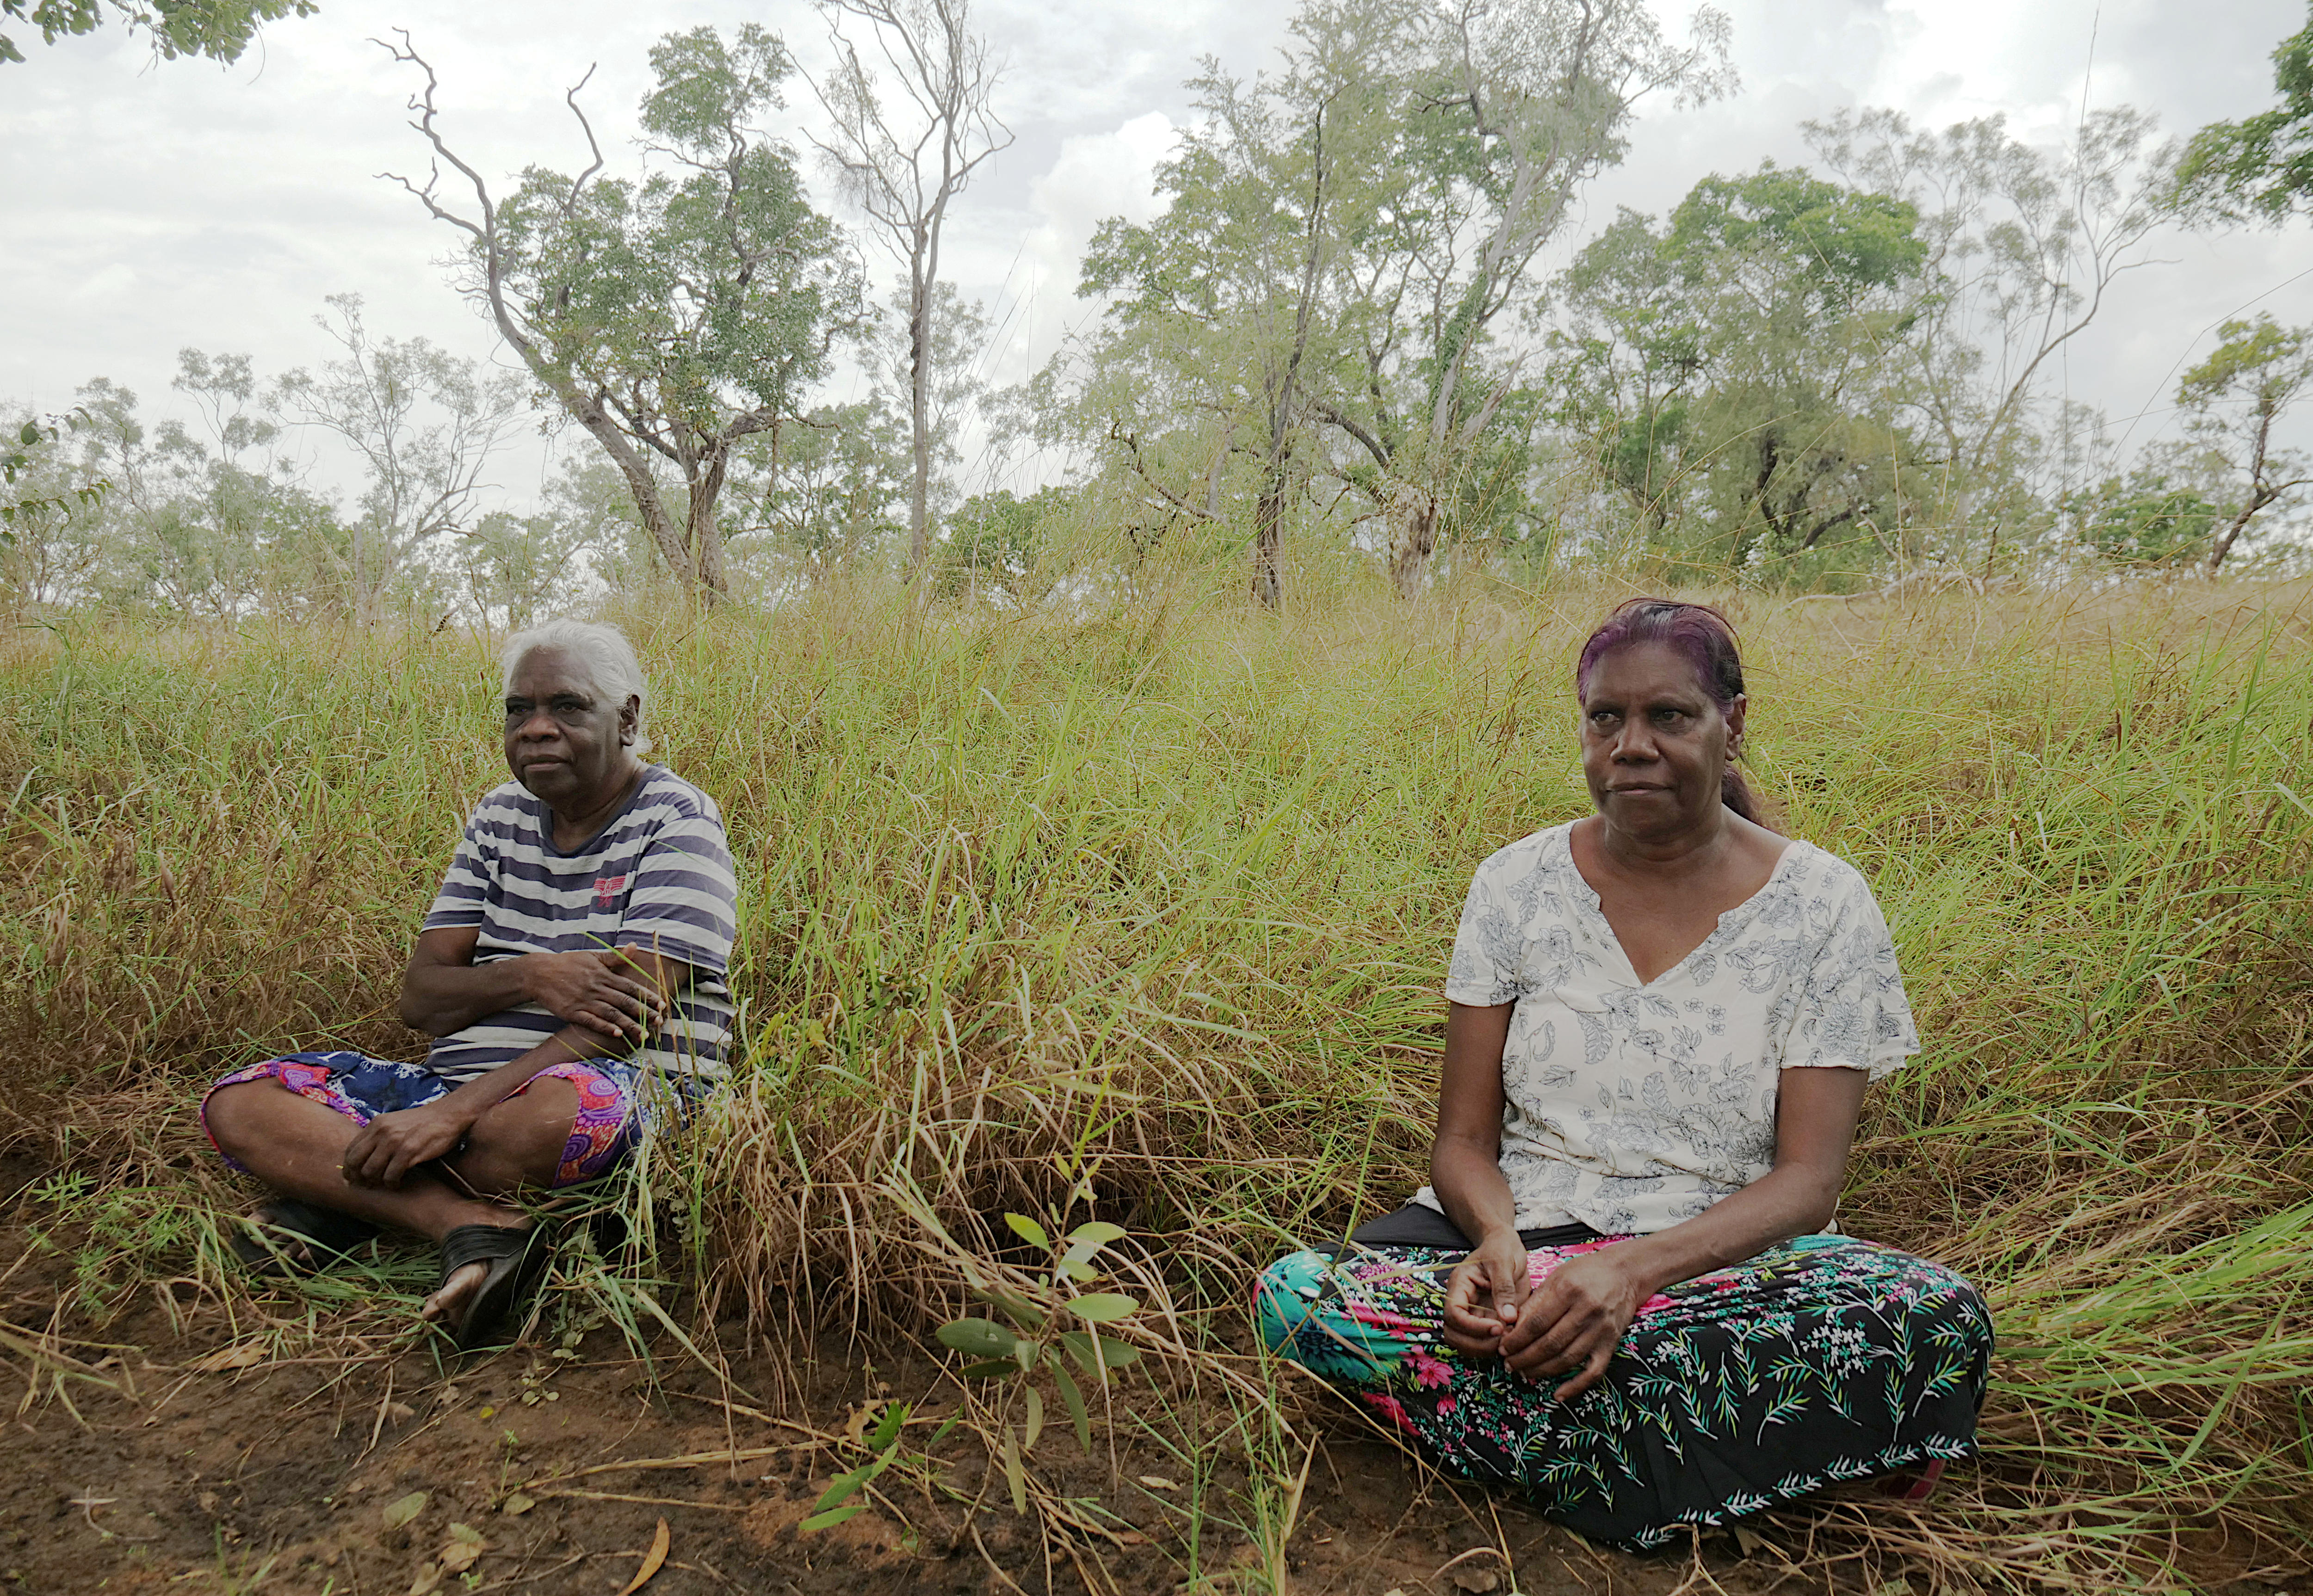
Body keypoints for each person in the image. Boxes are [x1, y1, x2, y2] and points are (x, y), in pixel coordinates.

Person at [1253, 598, 1992, 1550]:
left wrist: (1630, 1275)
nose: (1631, 745)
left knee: (1935, 1316)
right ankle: (1673, 1447)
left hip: (1725, 1263)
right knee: (1299, 1294)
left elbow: (1810, 1182)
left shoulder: (1823, 905)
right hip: (1535, 1243)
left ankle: (1580, 1435)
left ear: (1733, 723)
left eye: (1668, 717)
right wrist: (1495, 1246)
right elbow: (1464, 1144)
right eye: (1606, 719)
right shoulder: (1514, 885)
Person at [201, 619, 739, 1350]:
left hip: (617, 1088)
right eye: (519, 711)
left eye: (567, 708)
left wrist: (453, 1113)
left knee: (550, 1123)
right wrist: (532, 975)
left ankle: (343, 1201)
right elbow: (422, 999)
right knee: (242, 1103)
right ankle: (466, 1223)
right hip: (464, 1097)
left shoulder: (677, 818)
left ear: (629, 719)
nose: (537, 730)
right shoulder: (499, 817)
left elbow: (627, 1019)